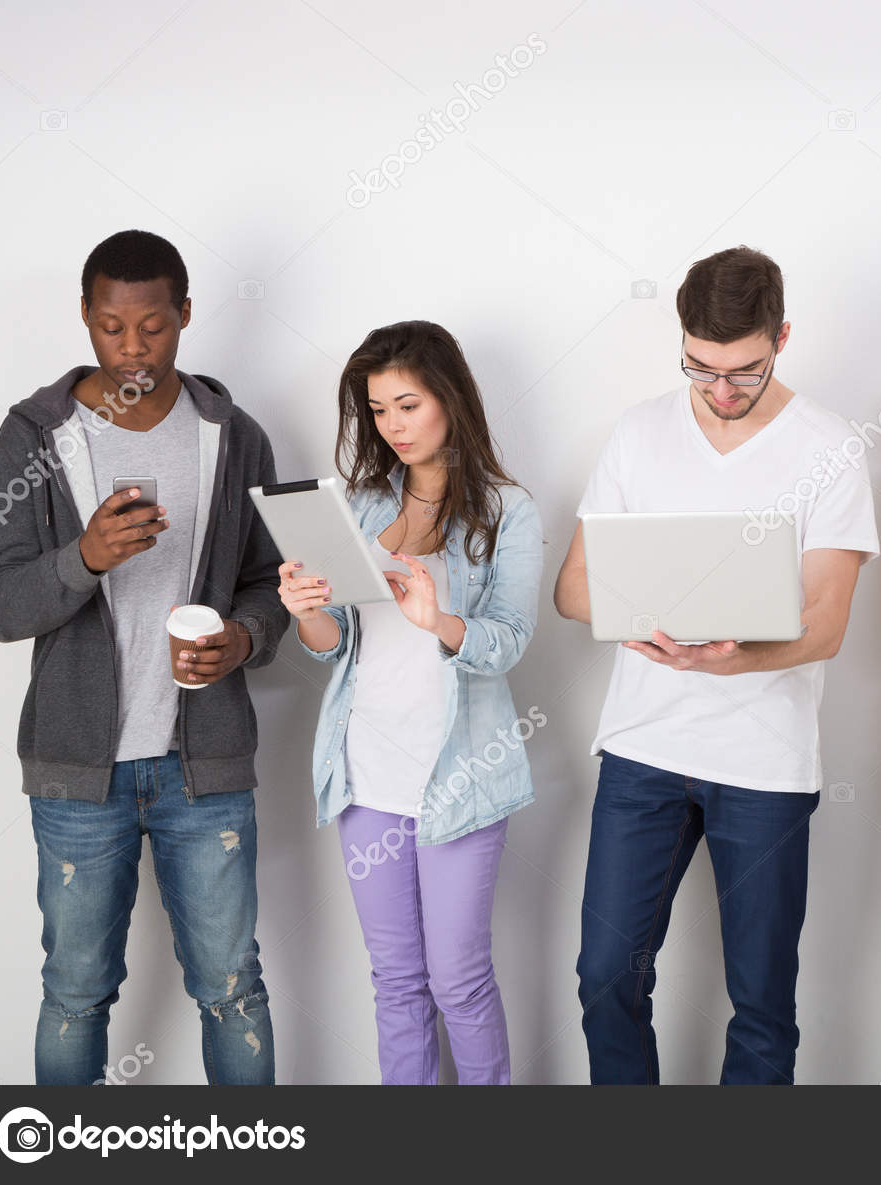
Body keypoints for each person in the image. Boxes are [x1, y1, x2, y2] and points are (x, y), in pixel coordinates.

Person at [554, 246, 879, 1084]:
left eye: (745, 371)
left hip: (764, 763)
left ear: (783, 337)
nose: (722, 390)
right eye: (702, 368)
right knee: (603, 974)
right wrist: (647, 618)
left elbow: (827, 624)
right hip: (643, 751)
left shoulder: (832, 446)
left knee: (763, 1000)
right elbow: (574, 588)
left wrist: (728, 659)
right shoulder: (638, 430)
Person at [0, 229, 289, 1084]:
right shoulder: (35, 436)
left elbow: (271, 584)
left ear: (185, 314)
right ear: (85, 316)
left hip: (206, 767)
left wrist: (243, 641)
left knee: (233, 988)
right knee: (75, 992)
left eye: (152, 326)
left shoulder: (234, 434)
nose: (132, 348)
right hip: (79, 771)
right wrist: (86, 557)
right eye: (111, 327)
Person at [281, 320, 543, 1085]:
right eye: (378, 410)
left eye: (408, 404)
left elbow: (511, 640)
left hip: (459, 775)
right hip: (368, 776)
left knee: (457, 980)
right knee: (396, 982)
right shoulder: (361, 506)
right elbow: (335, 644)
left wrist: (440, 621)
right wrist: (305, 606)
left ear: (450, 401)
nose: (392, 425)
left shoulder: (507, 510)